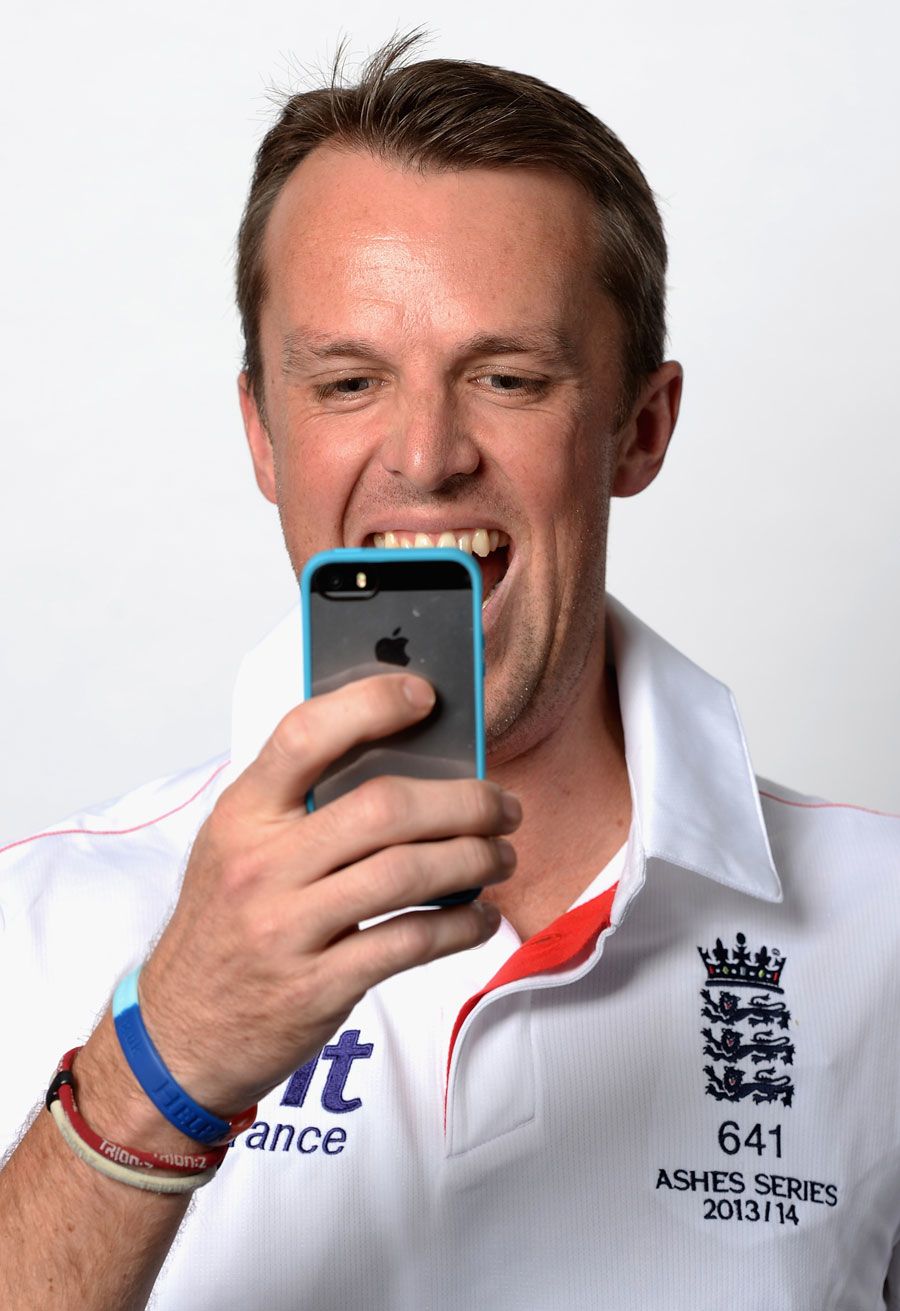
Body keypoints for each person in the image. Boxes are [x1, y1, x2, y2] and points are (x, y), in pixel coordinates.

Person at [1, 32, 898, 1311]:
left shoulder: (882, 930)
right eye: (351, 380)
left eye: (509, 377)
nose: (426, 456)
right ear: (264, 434)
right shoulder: (30, 932)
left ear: (638, 429)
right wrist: (166, 1062)